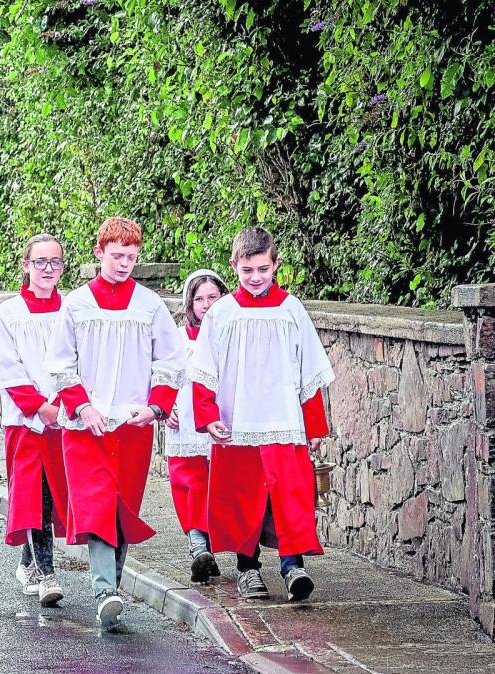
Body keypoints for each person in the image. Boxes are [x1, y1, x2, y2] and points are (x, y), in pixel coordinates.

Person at [45, 216, 185, 629]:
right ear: (99, 252)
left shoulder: (149, 305)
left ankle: (113, 591)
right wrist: (82, 407)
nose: (125, 264)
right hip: (86, 427)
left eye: (131, 257)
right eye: (117, 255)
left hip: (132, 425)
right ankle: (104, 590)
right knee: (96, 505)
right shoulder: (76, 304)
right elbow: (59, 363)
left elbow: (171, 361)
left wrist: (156, 408)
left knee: (122, 510)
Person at [190, 227, 334, 603]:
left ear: (276, 264)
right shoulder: (221, 314)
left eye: (263, 269)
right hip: (238, 422)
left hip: (284, 420)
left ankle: (293, 566)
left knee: (289, 497)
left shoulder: (292, 310)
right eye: (247, 270)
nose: (255, 277)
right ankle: (248, 569)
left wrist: (313, 427)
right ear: (234, 266)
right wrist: (207, 415)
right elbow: (203, 371)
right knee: (243, 498)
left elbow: (308, 373)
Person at [0, 234, 69, 608]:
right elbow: (8, 367)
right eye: (40, 262)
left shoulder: (71, 309)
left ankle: (28, 564)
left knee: (52, 497)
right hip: (26, 420)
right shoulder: (10, 313)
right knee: (33, 494)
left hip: (65, 415)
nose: (48, 269)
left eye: (55, 262)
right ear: (26, 266)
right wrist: (40, 407)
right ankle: (47, 573)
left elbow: (78, 360)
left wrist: (64, 404)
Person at [164, 269, 229, 583]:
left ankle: (210, 547)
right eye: (199, 299)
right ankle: (198, 546)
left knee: (216, 486)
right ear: (189, 303)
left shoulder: (230, 335)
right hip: (184, 422)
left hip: (219, 421)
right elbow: (161, 374)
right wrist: (165, 406)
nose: (206, 304)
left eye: (212, 297)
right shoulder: (176, 339)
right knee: (189, 484)